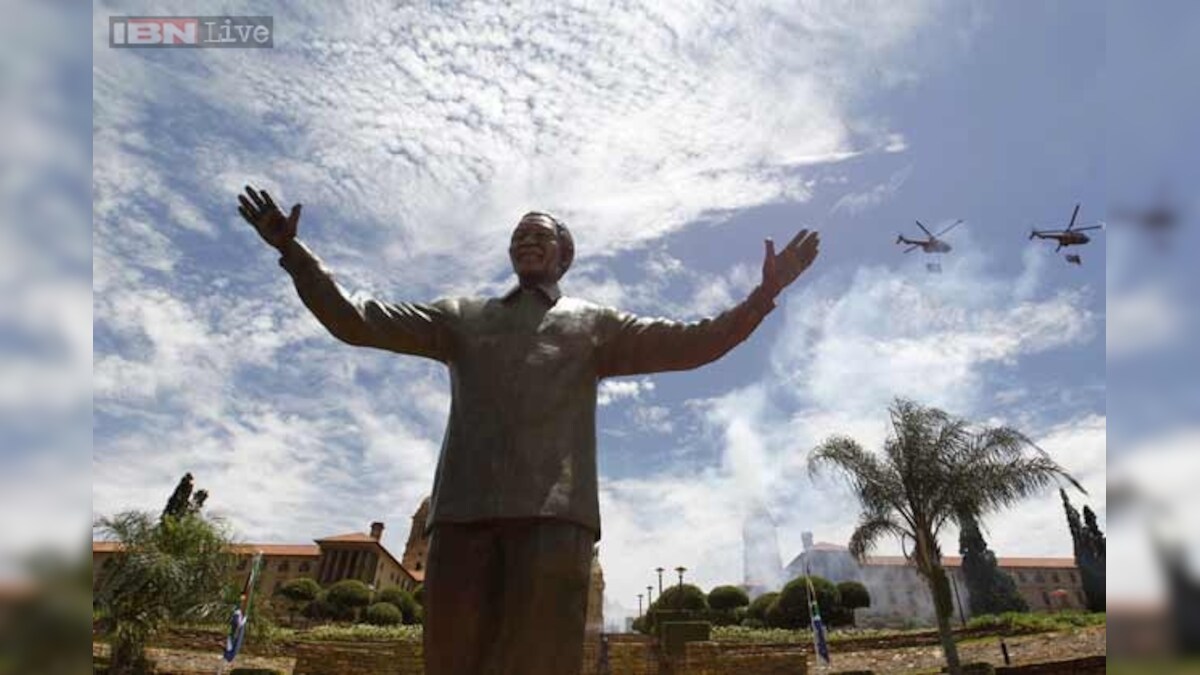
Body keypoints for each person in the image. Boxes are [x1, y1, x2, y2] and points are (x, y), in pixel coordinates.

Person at [237, 186, 820, 674]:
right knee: (451, 662)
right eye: (519, 234)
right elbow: (356, 319)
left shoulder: (594, 325)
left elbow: (696, 344)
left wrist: (763, 295)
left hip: (554, 523)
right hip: (462, 516)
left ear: (564, 255)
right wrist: (293, 252)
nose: (527, 240)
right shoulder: (460, 317)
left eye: (540, 234)